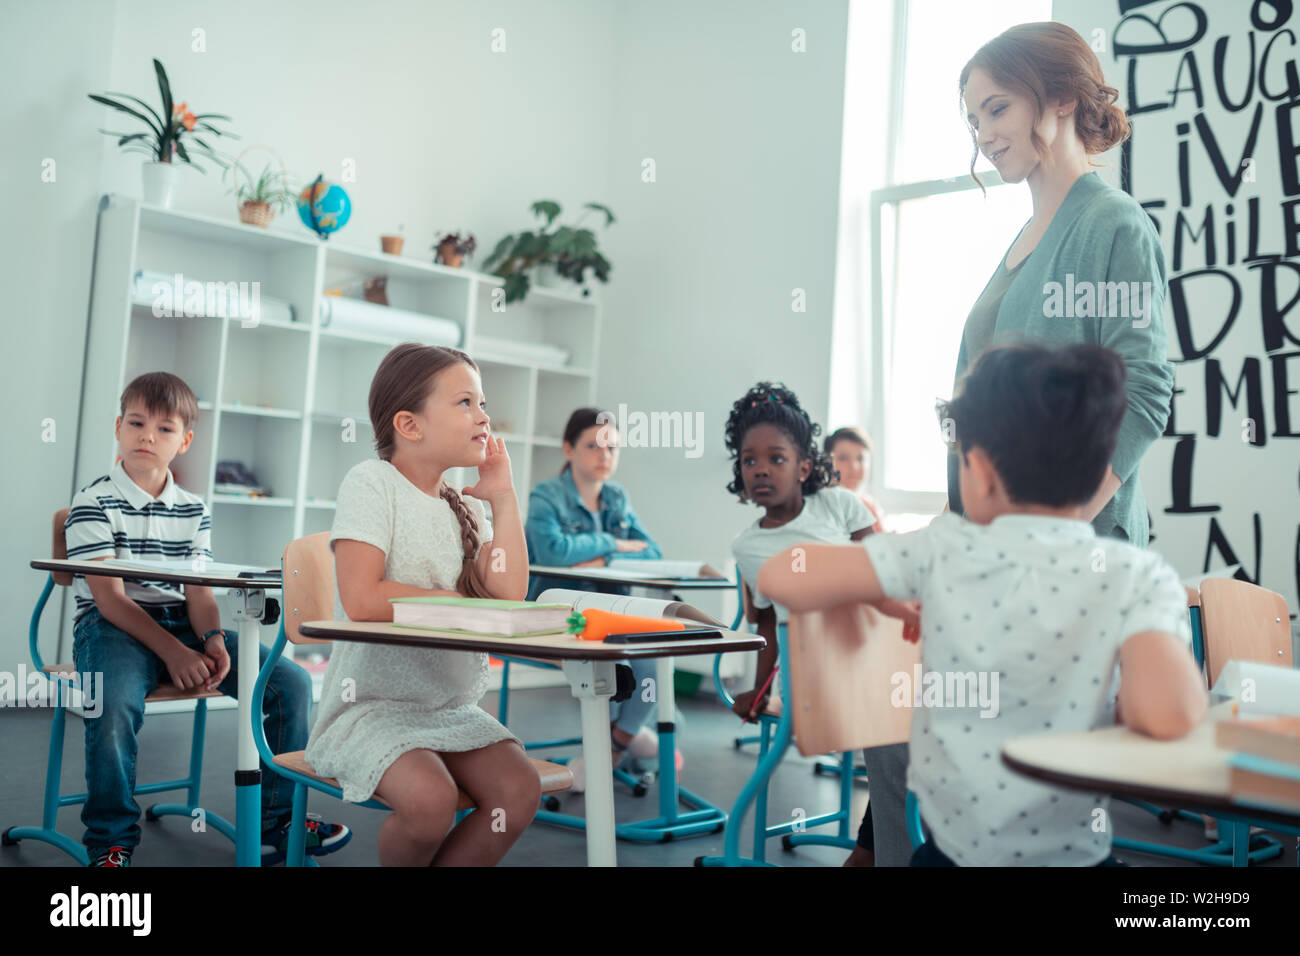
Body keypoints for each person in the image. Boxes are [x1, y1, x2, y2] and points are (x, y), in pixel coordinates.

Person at [759, 344, 1207, 866]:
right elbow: (1172, 714)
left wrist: (884, 596)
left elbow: (782, 575)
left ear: (980, 470)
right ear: (1100, 471)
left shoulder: (940, 549)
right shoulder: (1136, 574)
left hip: (955, 855)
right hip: (1077, 857)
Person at [66, 372, 349, 867]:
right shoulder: (94, 501)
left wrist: (214, 639)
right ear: (117, 427)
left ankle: (277, 822)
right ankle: (110, 841)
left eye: (164, 429)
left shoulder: (193, 508)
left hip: (180, 621)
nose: (147, 436)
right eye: (136, 423)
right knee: (112, 703)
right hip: (111, 628)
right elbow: (109, 600)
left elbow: (197, 592)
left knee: (291, 683)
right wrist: (174, 652)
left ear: (185, 441)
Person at [306, 343, 540, 866]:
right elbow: (363, 599)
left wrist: (503, 499)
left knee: (520, 790)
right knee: (430, 802)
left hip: (447, 709)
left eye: (482, 403)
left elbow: (508, 594)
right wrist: (455, 604)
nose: (483, 416)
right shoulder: (371, 483)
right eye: (465, 403)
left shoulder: (462, 506)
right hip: (369, 710)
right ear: (409, 426)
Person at [952, 21, 1174, 546]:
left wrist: (1060, 525)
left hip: (1079, 555)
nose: (983, 136)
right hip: (996, 552)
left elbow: (1143, 393)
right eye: (974, 120)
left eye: (998, 108)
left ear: (1062, 98)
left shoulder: (1113, 223)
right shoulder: (1021, 242)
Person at [726, 382, 918, 866]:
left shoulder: (840, 506)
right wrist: (757, 688)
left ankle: (876, 848)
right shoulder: (748, 546)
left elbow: (887, 575)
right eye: (750, 461)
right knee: (909, 722)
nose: (762, 469)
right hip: (816, 673)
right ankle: (883, 850)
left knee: (931, 717)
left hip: (878, 650)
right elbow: (768, 624)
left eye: (776, 458)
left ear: (805, 466)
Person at [525, 407, 670, 789]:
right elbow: (553, 553)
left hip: (614, 613)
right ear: (568, 449)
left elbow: (652, 553)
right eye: (593, 446)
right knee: (615, 665)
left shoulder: (617, 498)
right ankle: (625, 737)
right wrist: (612, 542)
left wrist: (601, 556)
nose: (604, 456)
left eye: (612, 448)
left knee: (652, 660)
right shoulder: (546, 496)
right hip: (558, 614)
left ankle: (611, 748)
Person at [825, 427, 885, 533]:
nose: (854, 467)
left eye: (861, 459)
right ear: (826, 462)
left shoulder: (870, 507)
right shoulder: (817, 506)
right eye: (843, 458)